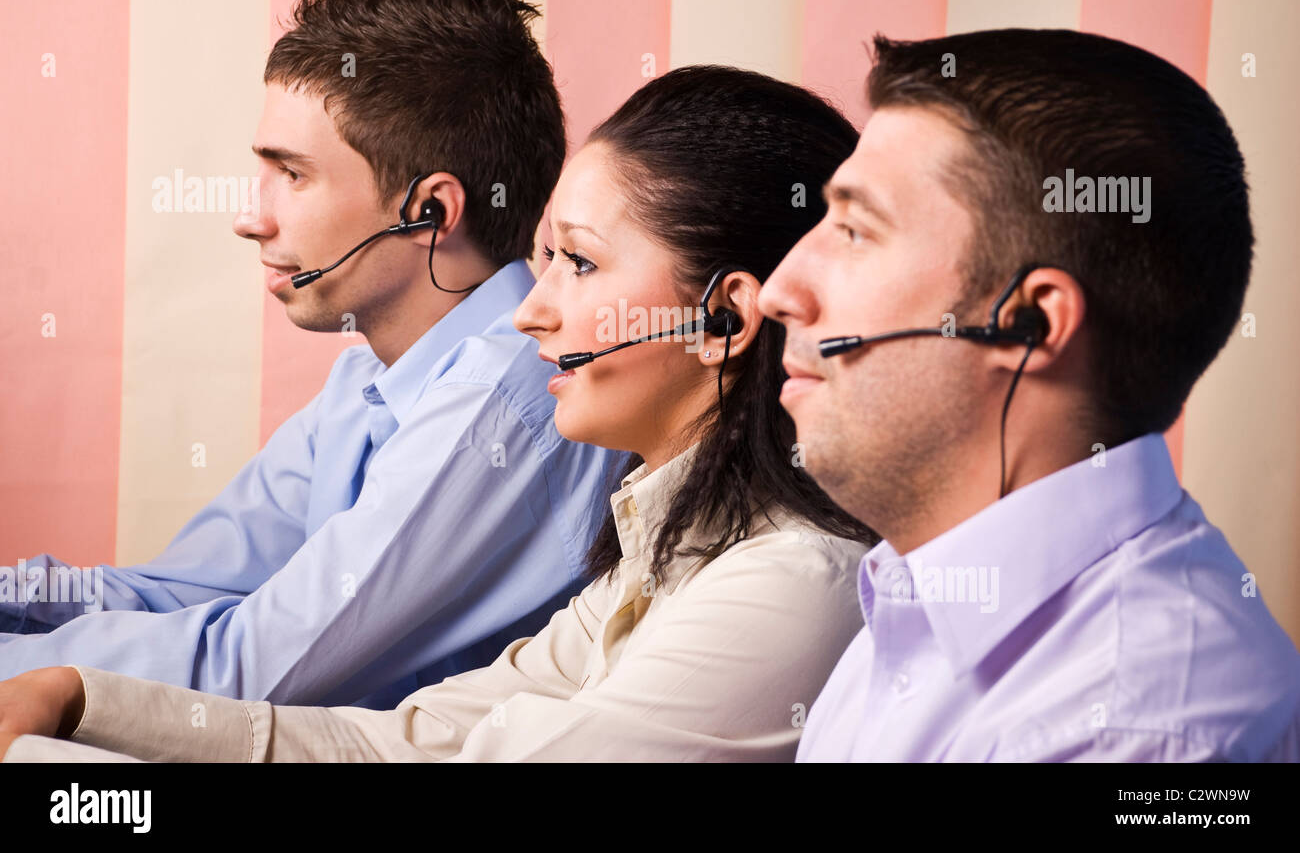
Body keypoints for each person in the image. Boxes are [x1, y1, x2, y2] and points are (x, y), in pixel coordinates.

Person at [0, 64, 877, 762]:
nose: (534, 307)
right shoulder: (650, 546)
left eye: (578, 263)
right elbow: (405, 743)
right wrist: (78, 694)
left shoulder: (787, 583)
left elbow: (262, 674)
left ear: (722, 318)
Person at [0, 0, 627, 709]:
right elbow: (181, 591)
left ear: (429, 211)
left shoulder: (508, 396)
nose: (250, 218)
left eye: (291, 175)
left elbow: (245, 673)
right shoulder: (362, 387)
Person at [756, 28, 1300, 761]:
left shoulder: (1142, 727)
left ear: (1030, 323)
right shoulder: (909, 589)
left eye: (854, 230)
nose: (777, 291)